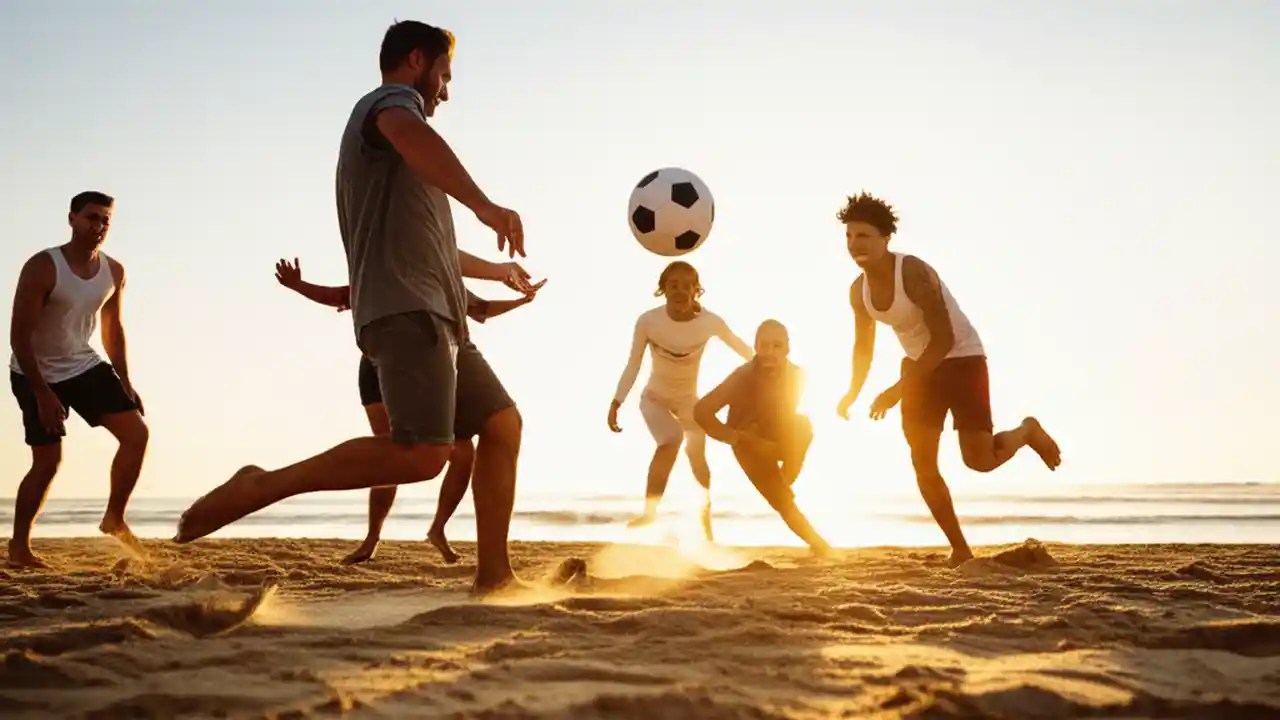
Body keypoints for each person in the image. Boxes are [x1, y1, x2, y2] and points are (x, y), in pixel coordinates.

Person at [175, 20, 535, 595]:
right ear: (416, 62)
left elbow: (439, 244)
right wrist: (486, 205)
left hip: (442, 317)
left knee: (502, 425)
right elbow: (413, 134)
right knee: (422, 457)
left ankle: (494, 575)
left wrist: (498, 269)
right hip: (405, 309)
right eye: (444, 75)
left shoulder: (415, 167)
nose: (446, 91)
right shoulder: (390, 107)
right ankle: (262, 486)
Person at [833, 192, 1062, 566]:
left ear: (885, 238)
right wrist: (851, 393)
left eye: (864, 236)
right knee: (922, 462)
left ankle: (1026, 431)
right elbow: (863, 348)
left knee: (980, 461)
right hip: (919, 368)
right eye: (849, 237)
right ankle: (960, 548)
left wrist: (895, 390)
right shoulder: (857, 292)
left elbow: (944, 339)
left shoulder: (912, 271)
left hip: (962, 359)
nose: (855, 245)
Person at [272, 257, 544, 565]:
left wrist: (521, 301)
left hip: (438, 365)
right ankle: (371, 539)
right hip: (380, 367)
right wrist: (298, 286)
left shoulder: (442, 280)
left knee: (463, 453)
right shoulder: (392, 276)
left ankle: (437, 529)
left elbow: (481, 310)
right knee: (391, 449)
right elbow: (339, 296)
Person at [7, 191, 149, 568]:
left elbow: (113, 331)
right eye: (91, 217)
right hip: (33, 370)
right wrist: (42, 393)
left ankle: (114, 517)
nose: (98, 226)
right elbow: (19, 336)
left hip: (82, 365)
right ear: (71, 218)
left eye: (105, 220)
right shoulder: (43, 266)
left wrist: (126, 383)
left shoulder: (113, 271)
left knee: (137, 435)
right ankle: (19, 548)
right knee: (48, 462)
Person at [609, 261, 753, 540]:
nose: (680, 291)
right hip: (654, 399)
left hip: (689, 401)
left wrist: (772, 366)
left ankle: (707, 527)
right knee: (671, 439)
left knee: (697, 457)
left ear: (696, 291)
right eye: (673, 285)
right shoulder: (648, 321)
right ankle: (650, 511)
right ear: (663, 289)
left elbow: (741, 348)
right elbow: (633, 363)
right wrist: (617, 402)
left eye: (687, 286)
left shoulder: (710, 322)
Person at [694, 320, 831, 555]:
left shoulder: (798, 375)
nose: (769, 352)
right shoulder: (741, 377)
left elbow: (784, 416)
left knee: (803, 424)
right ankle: (820, 545)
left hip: (774, 434)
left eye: (777, 346)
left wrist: (782, 449)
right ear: (755, 347)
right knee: (784, 502)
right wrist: (738, 438)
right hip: (747, 442)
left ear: (787, 348)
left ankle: (784, 482)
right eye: (764, 345)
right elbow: (701, 411)